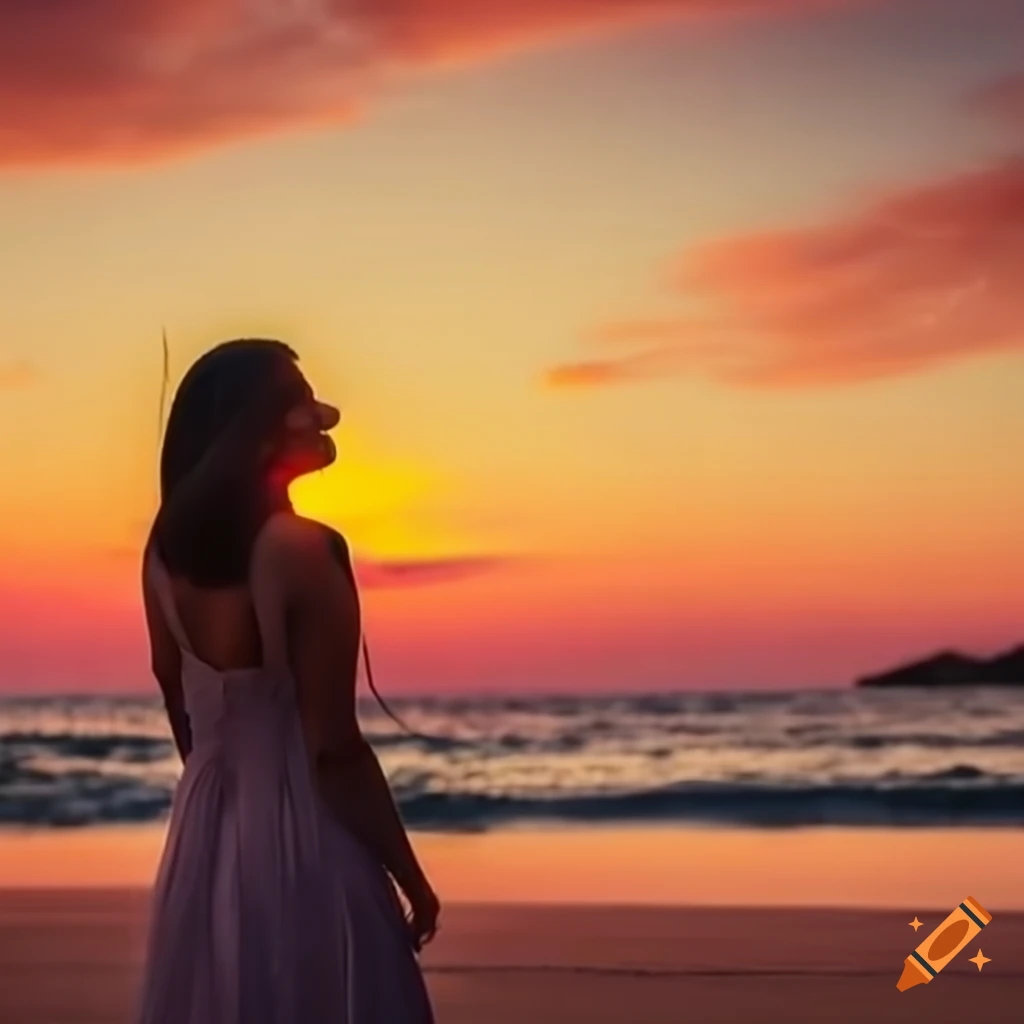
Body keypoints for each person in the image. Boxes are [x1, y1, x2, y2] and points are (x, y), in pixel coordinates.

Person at [136, 338, 438, 1023]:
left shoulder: (160, 555)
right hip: (307, 829)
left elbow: (174, 694)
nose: (323, 413)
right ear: (258, 424)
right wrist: (410, 877)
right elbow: (332, 748)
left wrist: (227, 804)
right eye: (300, 400)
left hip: (206, 831)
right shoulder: (304, 548)